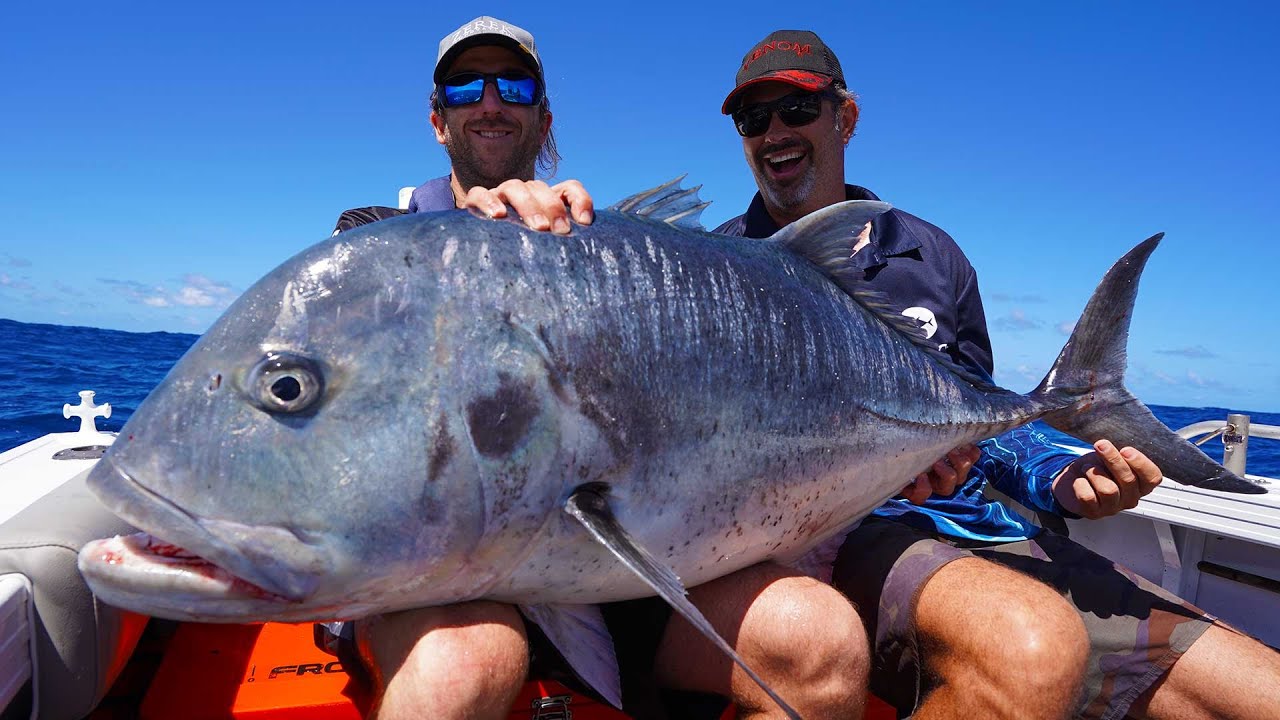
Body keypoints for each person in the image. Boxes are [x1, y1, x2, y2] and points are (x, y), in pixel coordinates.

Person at [481, 28, 1280, 720]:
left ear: (845, 116)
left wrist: (1064, 481)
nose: (775, 131)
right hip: (853, 535)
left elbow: (977, 420)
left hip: (988, 528)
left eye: (796, 108)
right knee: (1032, 651)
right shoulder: (711, 272)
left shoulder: (930, 256)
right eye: (752, 118)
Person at [327, 17, 872, 720]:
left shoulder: (589, 251)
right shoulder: (368, 241)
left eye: (513, 86)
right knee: (457, 671)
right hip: (441, 570)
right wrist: (470, 240)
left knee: (817, 643)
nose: (490, 102)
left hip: (602, 567)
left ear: (543, 119)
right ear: (438, 118)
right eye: (465, 87)